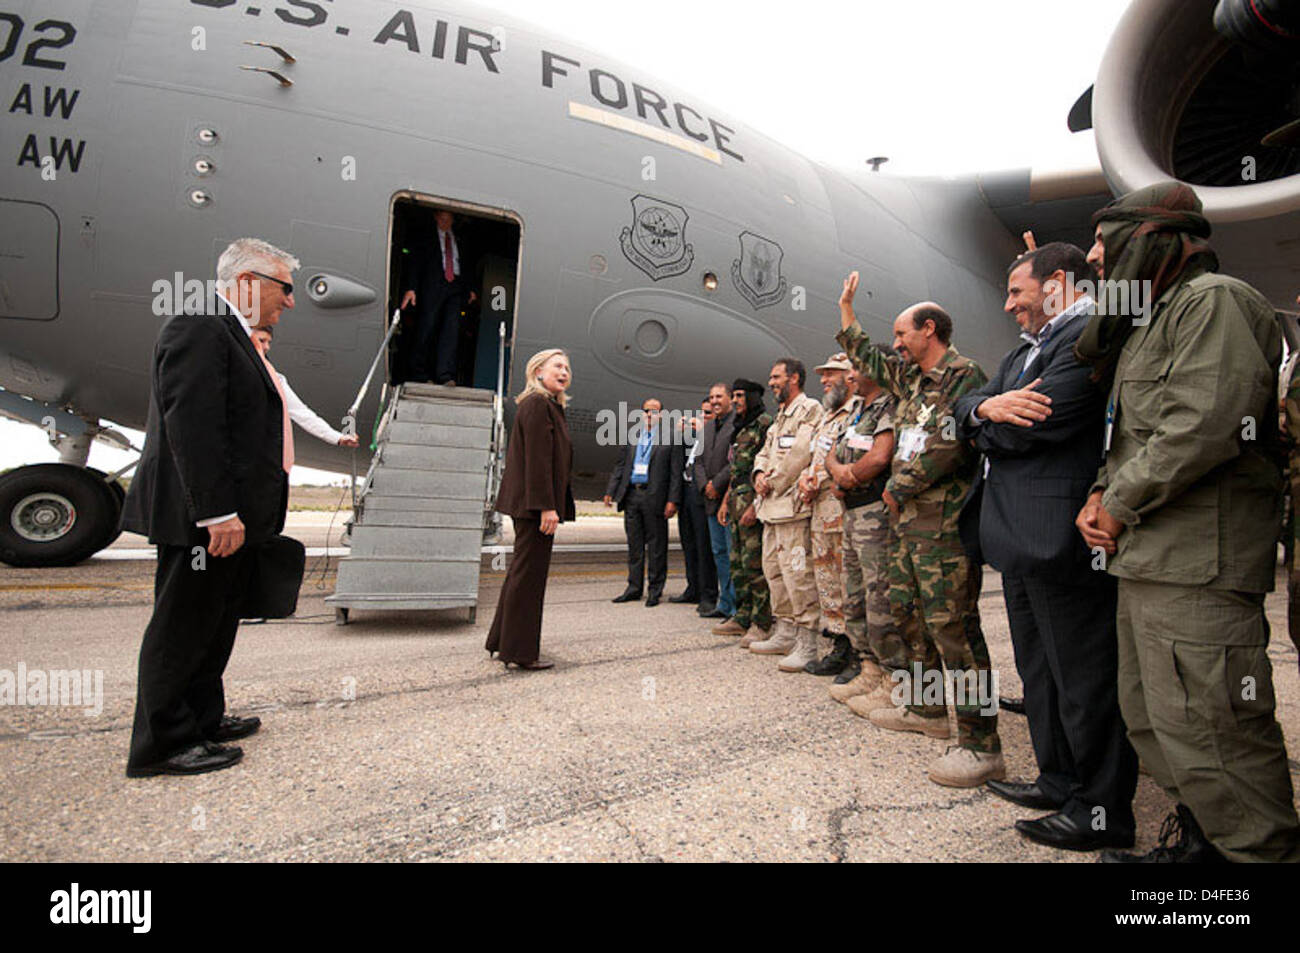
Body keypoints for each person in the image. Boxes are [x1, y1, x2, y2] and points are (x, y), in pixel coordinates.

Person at [1072, 182, 1300, 863]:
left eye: (1106, 250)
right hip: (1149, 558)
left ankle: (1259, 856)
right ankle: (1206, 845)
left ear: (1151, 243)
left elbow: (1202, 424)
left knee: (1217, 733)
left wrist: (1117, 501)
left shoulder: (1215, 303)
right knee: (1156, 723)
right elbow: (1131, 434)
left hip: (1199, 564)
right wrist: (1098, 494)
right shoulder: (1152, 322)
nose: (1097, 263)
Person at [955, 242, 1137, 852]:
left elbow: (1042, 420)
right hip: (1016, 538)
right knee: (1040, 673)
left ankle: (1103, 807)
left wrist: (987, 423)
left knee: (1083, 678)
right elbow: (966, 408)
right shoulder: (1025, 352)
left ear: (1057, 283)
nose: (1008, 306)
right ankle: (1060, 779)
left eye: (1017, 293)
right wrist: (985, 407)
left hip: (1061, 537)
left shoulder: (1086, 336)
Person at [122, 238, 299, 777]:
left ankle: (202, 717)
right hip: (200, 517)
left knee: (216, 621)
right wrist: (217, 512)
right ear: (248, 282)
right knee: (183, 626)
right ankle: (163, 744)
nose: (289, 302)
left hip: (229, 519)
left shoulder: (231, 333)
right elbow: (193, 425)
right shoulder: (200, 325)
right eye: (284, 288)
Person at [838, 277, 1005, 788]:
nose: (895, 343)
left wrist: (899, 485)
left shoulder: (961, 374)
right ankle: (930, 712)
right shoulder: (908, 379)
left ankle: (981, 744)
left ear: (928, 329)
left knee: (954, 629)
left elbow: (949, 444)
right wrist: (846, 309)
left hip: (942, 523)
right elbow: (865, 355)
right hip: (907, 520)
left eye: (902, 333)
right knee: (911, 618)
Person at [485, 349, 576, 670]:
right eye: (557, 366)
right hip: (534, 506)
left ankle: (501, 641)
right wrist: (547, 507)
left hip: (529, 504)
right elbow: (538, 461)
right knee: (529, 578)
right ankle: (521, 653)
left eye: (566, 368)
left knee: (520, 574)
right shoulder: (538, 405)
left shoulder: (547, 405)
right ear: (538, 372)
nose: (564, 372)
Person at [825, 371, 902, 705]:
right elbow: (832, 451)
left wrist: (847, 477)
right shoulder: (857, 410)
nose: (851, 375)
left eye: (858, 368)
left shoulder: (888, 406)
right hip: (851, 511)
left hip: (874, 511)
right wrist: (838, 472)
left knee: (879, 597)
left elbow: (882, 455)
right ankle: (869, 668)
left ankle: (894, 678)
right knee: (854, 595)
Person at [749, 358, 824, 671]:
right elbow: (765, 451)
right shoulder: (780, 416)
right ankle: (784, 631)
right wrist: (758, 475)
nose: (771, 383)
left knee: (798, 576)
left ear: (794, 378)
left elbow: (801, 451)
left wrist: (774, 481)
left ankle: (807, 644)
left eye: (776, 377)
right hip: (770, 510)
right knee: (774, 572)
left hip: (790, 508)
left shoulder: (809, 409)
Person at [797, 354, 860, 677]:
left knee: (848, 580)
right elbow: (815, 457)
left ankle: (859, 651)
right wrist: (805, 478)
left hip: (841, 507)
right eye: (822, 375)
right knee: (827, 580)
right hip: (820, 510)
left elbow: (847, 456)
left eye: (831, 375)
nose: (823, 381)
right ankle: (839, 643)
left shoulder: (856, 413)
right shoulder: (826, 416)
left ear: (850, 377)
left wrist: (816, 479)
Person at [604, 398, 682, 607]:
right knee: (634, 546)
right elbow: (621, 466)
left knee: (657, 547)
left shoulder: (671, 438)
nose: (650, 415)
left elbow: (676, 473)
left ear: (662, 415)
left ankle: (655, 590)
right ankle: (633, 588)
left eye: (654, 411)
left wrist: (672, 500)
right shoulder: (632, 436)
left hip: (654, 497)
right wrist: (611, 491)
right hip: (632, 496)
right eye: (646, 411)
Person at [719, 379, 774, 645]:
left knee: (755, 566)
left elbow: (767, 466)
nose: (736, 400)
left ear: (751, 397)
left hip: (752, 500)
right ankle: (742, 616)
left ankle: (762, 623)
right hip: (736, 500)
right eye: (735, 395)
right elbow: (735, 470)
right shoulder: (738, 427)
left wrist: (755, 505)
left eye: (740, 395)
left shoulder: (764, 424)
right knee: (737, 564)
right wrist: (725, 501)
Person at [399, 209, 478, 385]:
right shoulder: (426, 237)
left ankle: (445, 375)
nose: (445, 223)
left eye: (448, 220)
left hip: (455, 286)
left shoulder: (460, 237)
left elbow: (466, 263)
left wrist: (470, 288)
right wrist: (411, 288)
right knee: (427, 327)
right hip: (433, 285)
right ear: (435, 217)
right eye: (442, 219)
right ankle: (419, 374)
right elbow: (415, 262)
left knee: (451, 331)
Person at [250, 326, 361, 448]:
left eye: (268, 342)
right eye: (261, 341)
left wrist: (337, 437)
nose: (266, 347)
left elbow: (301, 413)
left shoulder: (273, 379)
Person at [697, 383, 739, 629]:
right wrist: (705, 486)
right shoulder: (708, 427)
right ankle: (724, 603)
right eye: (711, 397)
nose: (714, 401)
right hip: (710, 499)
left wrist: (716, 484)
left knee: (733, 553)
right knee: (719, 553)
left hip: (728, 500)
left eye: (719, 396)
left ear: (730, 399)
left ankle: (736, 607)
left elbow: (735, 462)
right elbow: (698, 461)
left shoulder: (736, 425)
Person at [673, 399, 720, 614]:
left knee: (704, 548)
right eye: (702, 413)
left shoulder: (713, 436)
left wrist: (702, 432)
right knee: (689, 544)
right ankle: (692, 588)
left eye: (708, 413)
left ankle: (708, 594)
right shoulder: (694, 438)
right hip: (686, 493)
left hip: (702, 495)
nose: (703, 417)